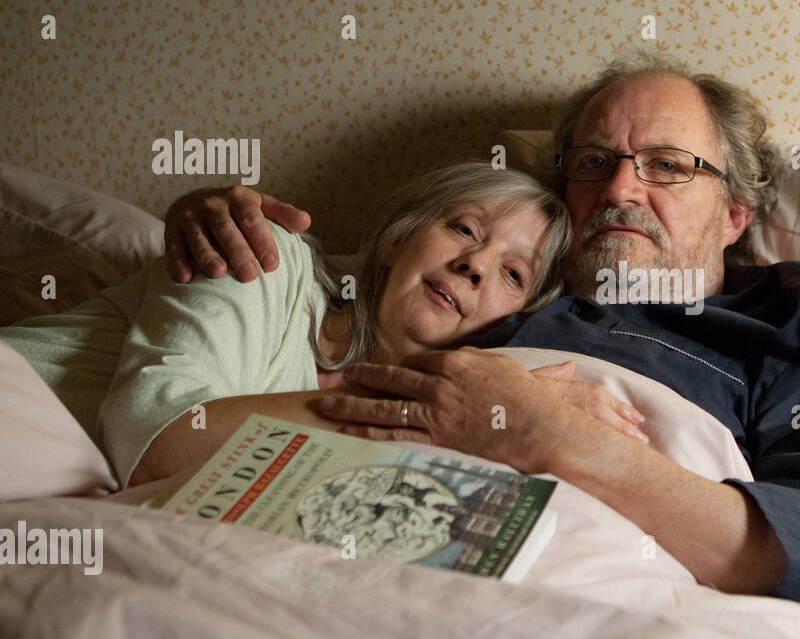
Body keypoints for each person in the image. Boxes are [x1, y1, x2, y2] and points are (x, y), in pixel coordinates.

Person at [162, 52, 800, 639]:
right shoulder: (498, 290)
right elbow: (293, 379)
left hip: (590, 599)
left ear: (734, 214)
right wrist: (211, 221)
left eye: (667, 165)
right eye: (593, 163)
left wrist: (562, 441)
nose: (621, 186)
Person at [0, 162, 649, 491]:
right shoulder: (263, 254)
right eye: (463, 228)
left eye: (513, 274)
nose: (475, 265)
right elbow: (156, 443)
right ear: (398, 241)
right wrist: (432, 410)